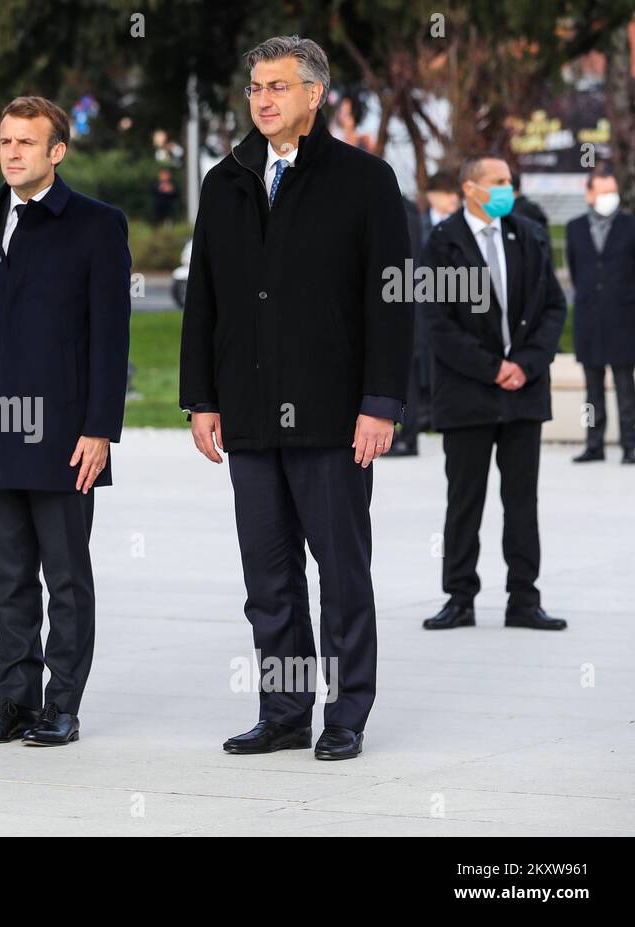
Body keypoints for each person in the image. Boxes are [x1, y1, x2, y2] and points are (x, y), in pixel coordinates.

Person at [179, 36, 412, 761]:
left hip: (335, 416)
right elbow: (204, 299)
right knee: (269, 580)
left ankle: (346, 714)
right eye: (255, 88)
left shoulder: (365, 181)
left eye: (278, 86)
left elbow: (391, 301)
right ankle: (283, 711)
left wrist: (380, 401)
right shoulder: (226, 180)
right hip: (248, 415)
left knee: (340, 576)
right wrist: (200, 398)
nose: (264, 100)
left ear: (315, 95)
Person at [0, 95, 131, 747]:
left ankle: (62, 706)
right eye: (5, 141)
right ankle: (14, 701)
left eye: (27, 142)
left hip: (64, 435)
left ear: (57, 151)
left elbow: (112, 337)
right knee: (9, 577)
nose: (12, 152)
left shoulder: (96, 226)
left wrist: (101, 427)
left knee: (67, 578)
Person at [422, 155, 568, 632]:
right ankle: (459, 597)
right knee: (465, 500)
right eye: (499, 181)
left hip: (523, 393)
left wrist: (524, 366)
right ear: (470, 188)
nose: (509, 188)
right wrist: (492, 368)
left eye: (510, 180)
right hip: (468, 394)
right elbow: (438, 324)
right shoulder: (443, 243)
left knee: (522, 501)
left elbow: (552, 307)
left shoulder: (527, 235)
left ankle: (524, 599)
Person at [565, 165, 635, 464]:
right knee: (591, 391)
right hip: (589, 321)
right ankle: (593, 444)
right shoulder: (575, 228)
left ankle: (629, 445)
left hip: (624, 321)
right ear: (590, 193)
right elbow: (574, 268)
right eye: (603, 192)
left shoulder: (632, 226)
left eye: (613, 192)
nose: (609, 197)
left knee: (625, 388)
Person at [388, 171, 462, 457]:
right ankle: (407, 434)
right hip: (411, 299)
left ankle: (409, 436)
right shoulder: (411, 213)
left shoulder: (405, 214)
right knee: (407, 373)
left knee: (408, 374)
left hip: (411, 301)